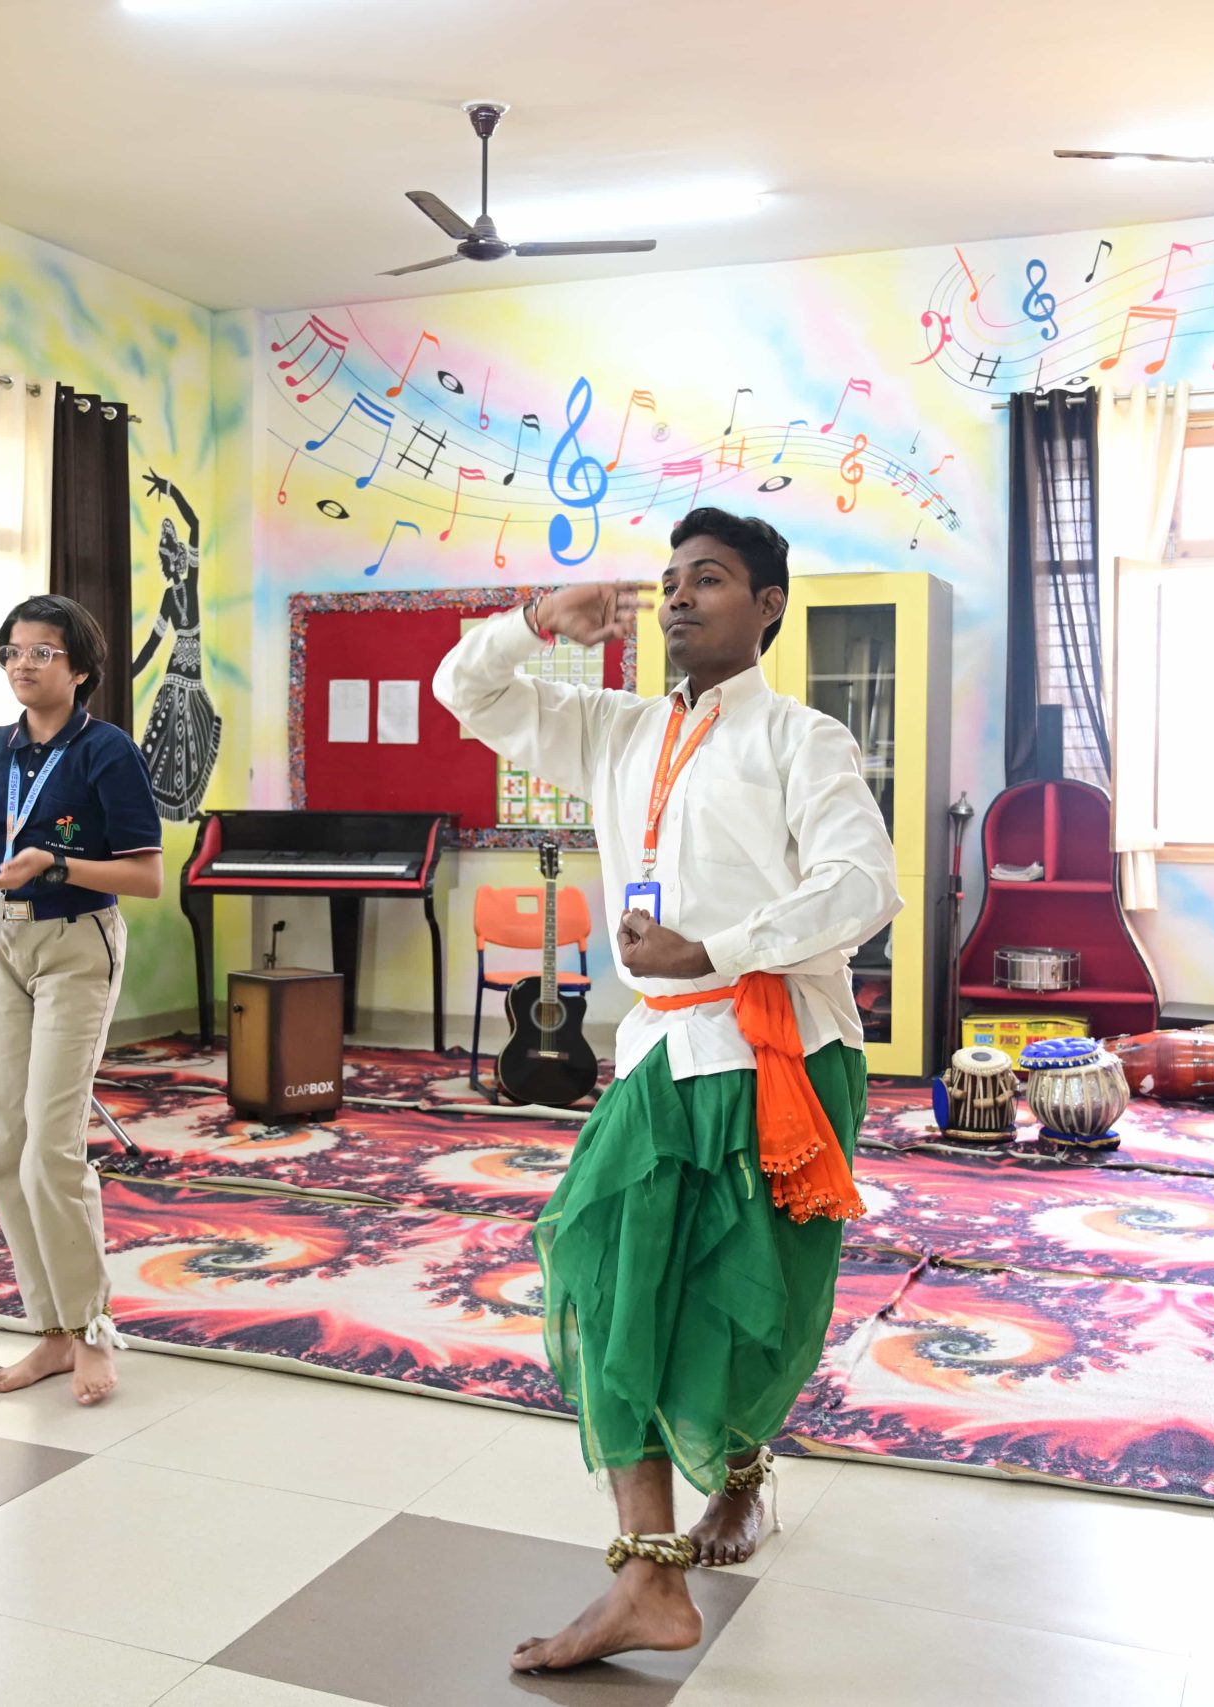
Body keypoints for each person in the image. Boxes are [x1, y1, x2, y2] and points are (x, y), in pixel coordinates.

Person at [433, 508, 901, 1674]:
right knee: (602, 1278)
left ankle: (737, 1476)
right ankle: (648, 1574)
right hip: (659, 1050)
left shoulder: (804, 739)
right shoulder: (614, 729)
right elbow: (466, 694)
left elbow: (862, 885)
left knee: (739, 1304)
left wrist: (721, 945)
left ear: (770, 606)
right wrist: (538, 621)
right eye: (672, 580)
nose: (683, 597)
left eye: (713, 579)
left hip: (774, 1051)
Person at [0, 593, 163, 1405]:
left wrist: (55, 863)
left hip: (76, 941)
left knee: (53, 1144)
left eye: (42, 652)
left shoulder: (106, 752)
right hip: (0, 942)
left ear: (80, 668)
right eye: (12, 650)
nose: (22, 663)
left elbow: (146, 876)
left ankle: (91, 1329)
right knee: (8, 1147)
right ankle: (48, 1330)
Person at [130, 468, 221, 820]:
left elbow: (195, 523)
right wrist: (128, 673)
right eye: (168, 561)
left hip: (191, 677)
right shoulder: (170, 597)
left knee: (195, 730)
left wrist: (170, 488)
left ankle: (185, 804)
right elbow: (153, 644)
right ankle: (162, 805)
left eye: (173, 559)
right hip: (175, 677)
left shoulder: (192, 585)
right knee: (166, 741)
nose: (172, 565)